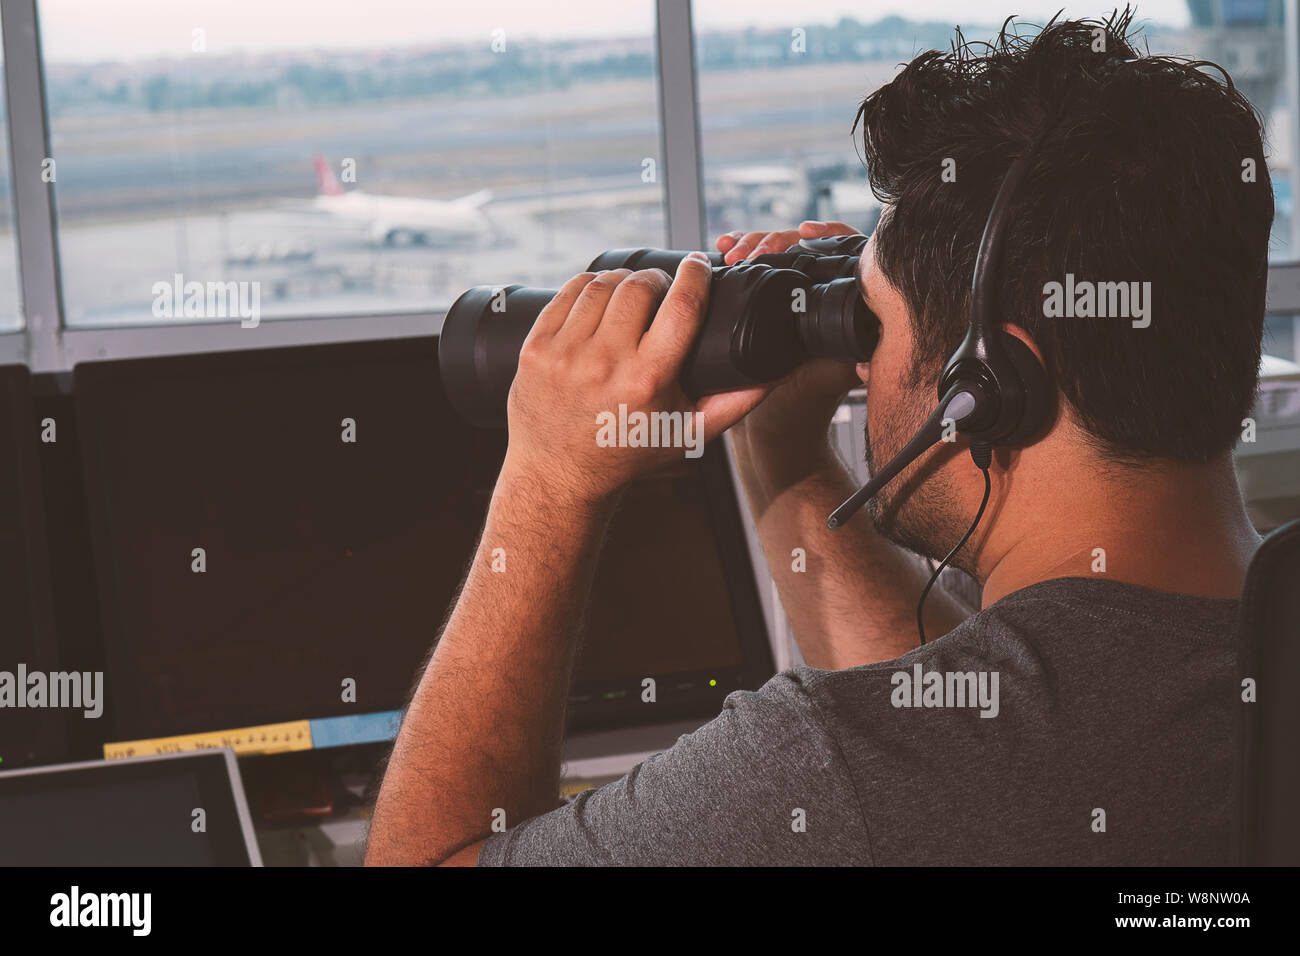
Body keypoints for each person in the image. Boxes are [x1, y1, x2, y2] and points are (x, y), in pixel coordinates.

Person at [365, 10, 1270, 866]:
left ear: (989, 385)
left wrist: (550, 479)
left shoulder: (827, 770)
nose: (863, 367)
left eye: (868, 324)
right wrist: (783, 455)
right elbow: (969, 742)